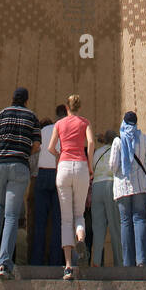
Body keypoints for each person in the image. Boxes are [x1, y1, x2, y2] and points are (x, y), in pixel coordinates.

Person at [0, 87, 41, 279]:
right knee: (12, 216)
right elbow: (37, 145)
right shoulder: (32, 117)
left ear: (12, 98)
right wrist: (24, 153)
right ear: (27, 100)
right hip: (19, 166)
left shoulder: (2, 113)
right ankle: (4, 264)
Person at [48, 94, 94, 280]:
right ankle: (81, 240)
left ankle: (68, 266)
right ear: (79, 107)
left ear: (67, 108)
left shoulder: (59, 124)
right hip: (82, 167)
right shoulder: (85, 122)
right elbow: (91, 142)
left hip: (64, 167)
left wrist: (60, 156)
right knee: (79, 215)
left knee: (66, 219)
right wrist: (90, 165)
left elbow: (51, 147)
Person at [110, 110, 146, 268]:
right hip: (140, 188)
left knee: (125, 223)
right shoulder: (143, 139)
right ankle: (142, 260)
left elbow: (112, 165)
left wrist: (121, 168)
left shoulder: (118, 140)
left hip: (122, 188)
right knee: (139, 220)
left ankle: (127, 263)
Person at [30, 106, 66, 265]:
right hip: (60, 174)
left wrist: (34, 173)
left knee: (40, 221)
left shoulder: (43, 131)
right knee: (59, 222)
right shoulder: (66, 131)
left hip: (42, 175)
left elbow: (35, 152)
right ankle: (55, 261)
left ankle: (36, 260)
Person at [91, 130, 122, 267]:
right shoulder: (116, 150)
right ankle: (119, 262)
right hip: (111, 185)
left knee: (98, 228)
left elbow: (92, 168)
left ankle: (96, 260)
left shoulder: (97, 152)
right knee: (115, 226)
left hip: (96, 187)